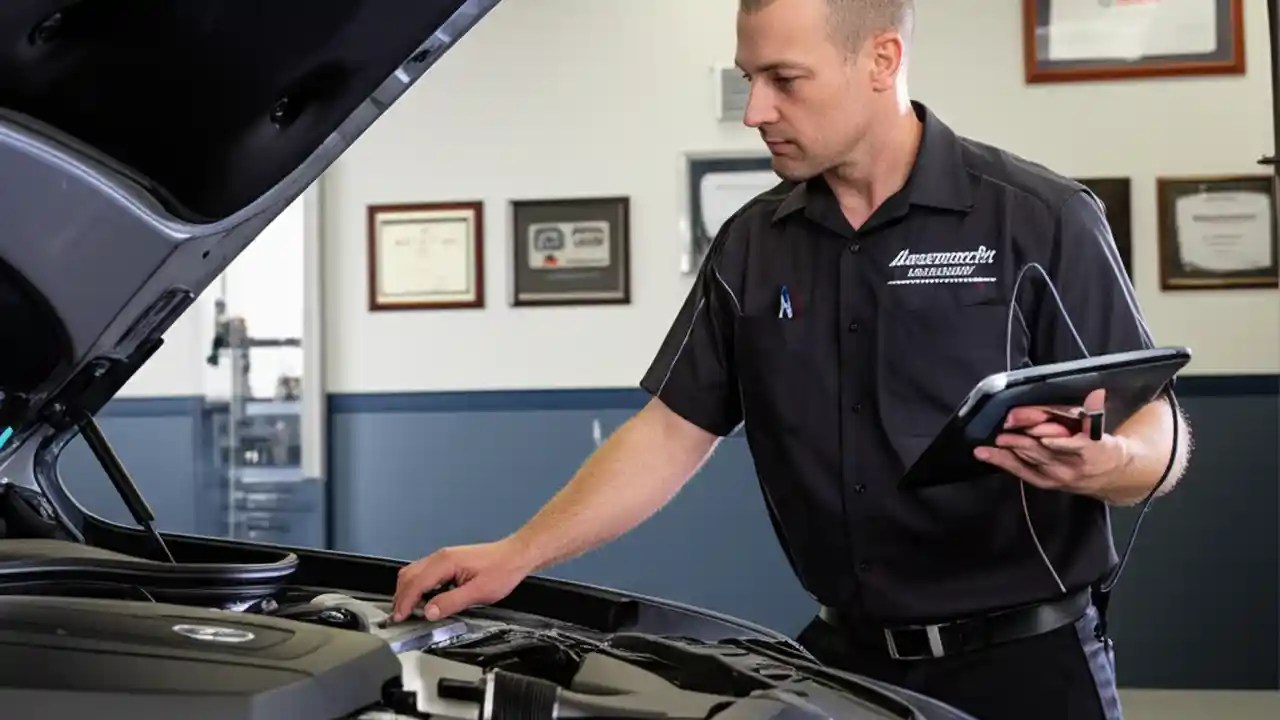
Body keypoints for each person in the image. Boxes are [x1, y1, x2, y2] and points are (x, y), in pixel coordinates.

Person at [391, 1, 1192, 718]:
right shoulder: (752, 243)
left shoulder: (1039, 217)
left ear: (881, 61)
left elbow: (1154, 427)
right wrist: (516, 554)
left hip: (1028, 669)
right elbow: (673, 432)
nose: (756, 112)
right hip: (842, 670)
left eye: (785, 79)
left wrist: (1112, 464)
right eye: (750, 79)